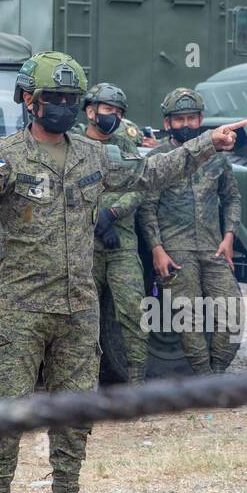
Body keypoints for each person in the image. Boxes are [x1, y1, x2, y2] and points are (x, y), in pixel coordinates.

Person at [0, 51, 247, 493]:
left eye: (69, 100)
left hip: (79, 305)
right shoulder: (5, 153)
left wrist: (205, 145)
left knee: (76, 411)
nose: (62, 107)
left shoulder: (92, 155)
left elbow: (151, 173)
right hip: (22, 307)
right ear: (29, 100)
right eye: (53, 99)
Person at [139, 87, 243, 375]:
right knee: (190, 317)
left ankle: (216, 373)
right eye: (179, 119)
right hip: (176, 249)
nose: (186, 125)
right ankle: (204, 380)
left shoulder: (218, 156)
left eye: (192, 118)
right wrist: (157, 250)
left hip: (214, 247)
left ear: (201, 119)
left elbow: (232, 197)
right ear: (167, 123)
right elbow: (147, 208)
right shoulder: (158, 158)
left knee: (232, 311)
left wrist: (229, 236)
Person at [75, 82, 149, 383]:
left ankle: (137, 384)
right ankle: (84, 384)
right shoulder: (74, 144)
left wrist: (112, 214)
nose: (113, 116)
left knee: (133, 312)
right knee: (82, 317)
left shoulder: (126, 146)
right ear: (91, 111)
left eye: (118, 112)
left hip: (122, 244)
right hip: (83, 245)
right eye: (108, 110)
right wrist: (97, 221)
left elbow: (140, 187)